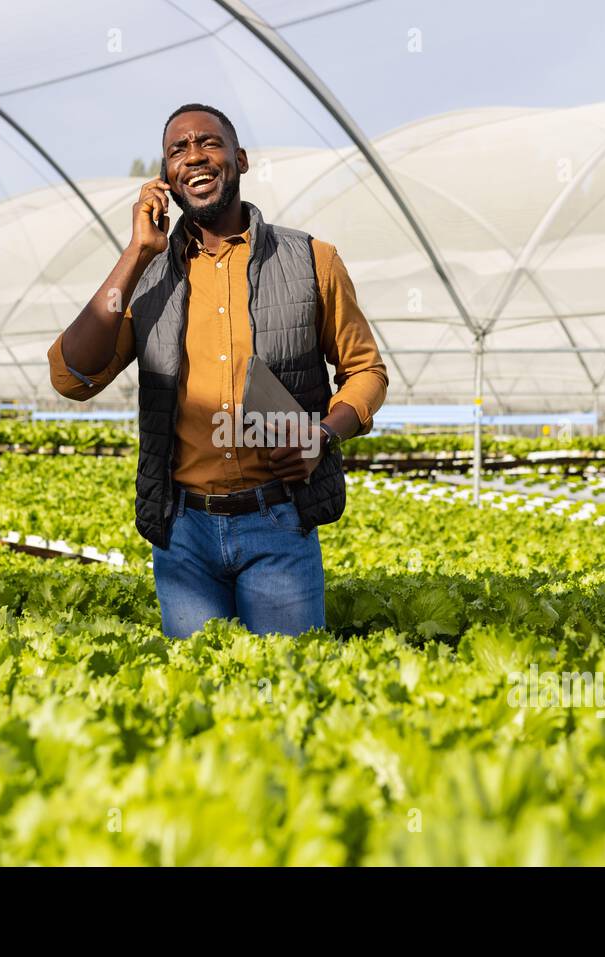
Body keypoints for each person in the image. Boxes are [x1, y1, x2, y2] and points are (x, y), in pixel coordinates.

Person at [48, 103, 386, 638]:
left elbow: (366, 371)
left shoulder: (311, 260)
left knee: (287, 694)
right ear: (166, 179)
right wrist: (137, 252)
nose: (194, 156)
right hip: (184, 535)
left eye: (208, 142)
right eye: (177, 150)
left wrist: (321, 436)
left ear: (240, 160)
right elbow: (72, 375)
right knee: (199, 706)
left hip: (278, 521)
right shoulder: (148, 277)